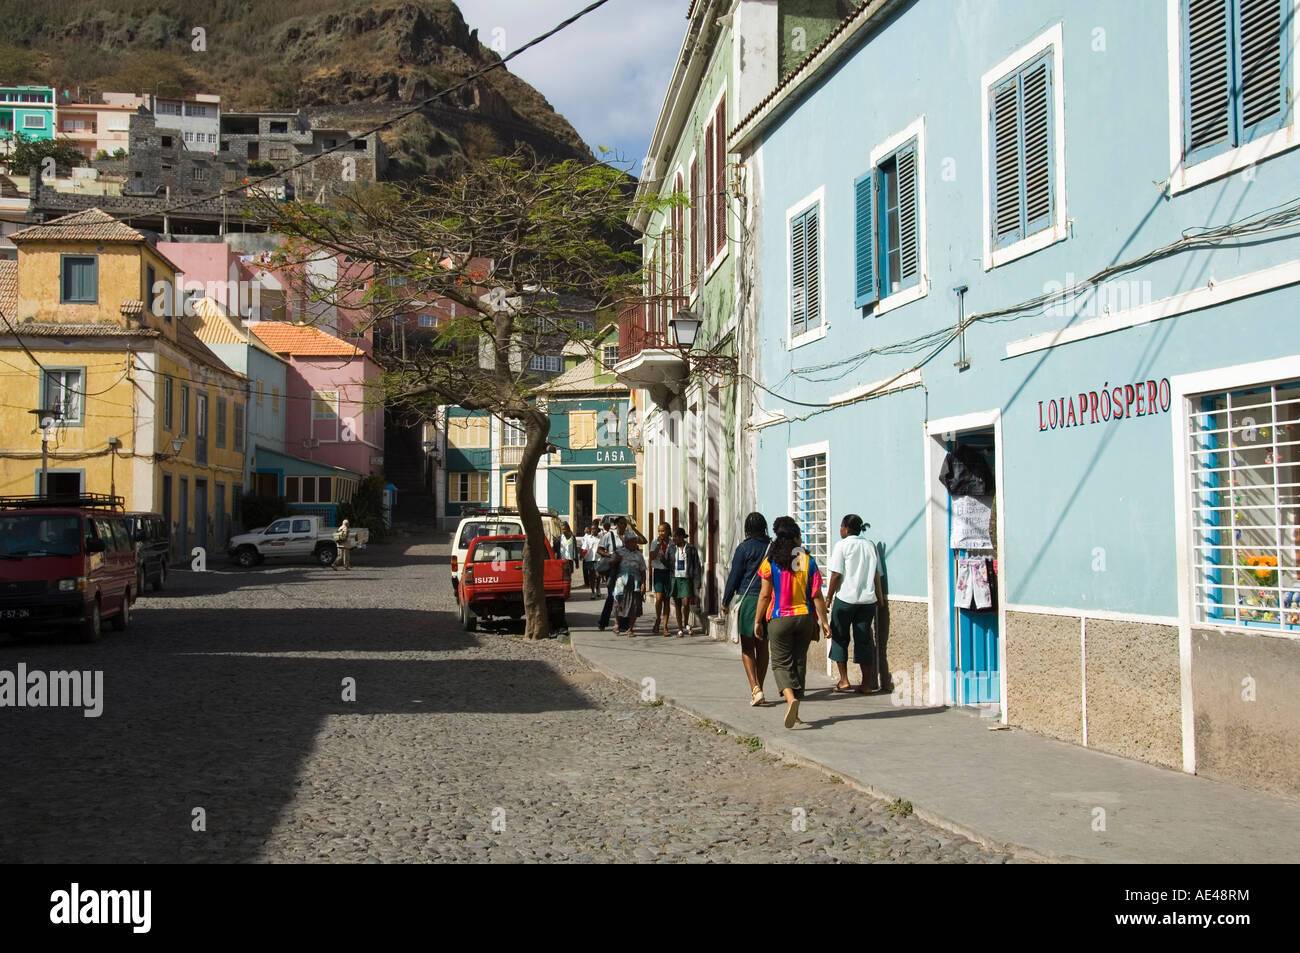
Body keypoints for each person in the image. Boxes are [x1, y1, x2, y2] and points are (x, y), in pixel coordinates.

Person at [754, 516, 831, 729]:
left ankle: (790, 700)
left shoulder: (771, 561)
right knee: (798, 662)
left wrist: (757, 620)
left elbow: (764, 595)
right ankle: (796, 709)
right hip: (805, 618)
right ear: (796, 537)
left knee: (780, 663)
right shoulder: (808, 560)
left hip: (780, 617)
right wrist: (824, 622)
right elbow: (816, 595)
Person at [825, 513, 883, 693]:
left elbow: (836, 574)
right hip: (867, 601)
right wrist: (879, 598)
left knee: (840, 638)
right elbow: (876, 574)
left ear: (847, 528)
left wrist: (828, 598)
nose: (840, 530)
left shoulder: (842, 546)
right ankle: (866, 683)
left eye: (841, 526)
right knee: (863, 639)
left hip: (845, 600)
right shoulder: (870, 545)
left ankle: (844, 680)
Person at [721, 512, 773, 706]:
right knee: (763, 646)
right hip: (768, 600)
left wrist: (726, 601)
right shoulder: (772, 547)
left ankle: (755, 687)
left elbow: (735, 575)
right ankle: (760, 686)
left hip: (749, 599)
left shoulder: (743, 548)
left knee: (747, 647)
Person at [598, 516, 645, 630]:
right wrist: (611, 555)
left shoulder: (629, 535)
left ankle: (623, 624)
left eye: (625, 523)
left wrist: (634, 528)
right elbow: (599, 550)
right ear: (616, 524)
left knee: (626, 597)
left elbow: (644, 541)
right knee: (612, 596)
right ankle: (603, 622)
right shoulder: (609, 535)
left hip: (628, 572)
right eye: (621, 523)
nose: (623, 525)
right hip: (614, 569)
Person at [666, 526, 702, 637]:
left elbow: (696, 565)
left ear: (681, 537)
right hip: (675, 578)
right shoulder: (671, 549)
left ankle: (686, 622)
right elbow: (667, 563)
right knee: (677, 604)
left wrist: (697, 581)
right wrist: (661, 558)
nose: (673, 539)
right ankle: (680, 628)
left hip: (686, 579)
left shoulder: (690, 549)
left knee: (686, 603)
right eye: (673, 537)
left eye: (675, 536)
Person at [613, 532, 648, 636]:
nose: (635, 544)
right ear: (626, 543)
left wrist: (643, 584)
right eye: (632, 542)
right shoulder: (620, 552)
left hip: (635, 582)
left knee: (634, 605)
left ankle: (630, 629)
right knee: (618, 603)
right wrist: (615, 561)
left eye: (635, 542)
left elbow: (642, 570)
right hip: (621, 582)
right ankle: (617, 624)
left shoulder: (639, 554)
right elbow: (611, 564)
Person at [647, 522, 673, 636]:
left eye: (663, 531)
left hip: (668, 572)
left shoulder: (672, 543)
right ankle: (658, 618)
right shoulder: (654, 542)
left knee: (666, 599)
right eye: (659, 531)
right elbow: (652, 556)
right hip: (658, 572)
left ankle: (665, 626)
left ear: (668, 531)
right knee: (659, 598)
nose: (661, 533)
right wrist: (659, 544)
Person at [580, 523, 601, 598]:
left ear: (597, 529)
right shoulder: (588, 538)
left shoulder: (601, 537)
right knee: (591, 577)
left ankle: (598, 587)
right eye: (592, 529)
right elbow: (585, 548)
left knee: (598, 575)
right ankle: (593, 592)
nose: (593, 530)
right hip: (589, 559)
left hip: (598, 559)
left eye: (594, 529)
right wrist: (582, 555)